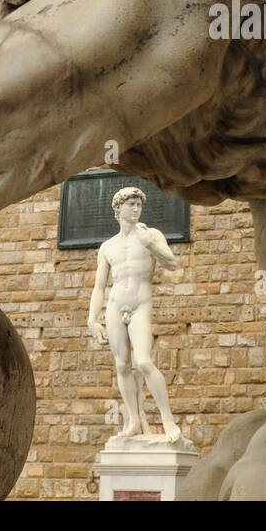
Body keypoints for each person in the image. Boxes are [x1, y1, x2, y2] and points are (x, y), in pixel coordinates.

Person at [87, 186, 181, 442]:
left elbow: (172, 263)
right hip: (115, 305)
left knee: (142, 361)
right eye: (131, 204)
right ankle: (134, 420)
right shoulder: (107, 247)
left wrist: (151, 244)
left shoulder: (150, 235)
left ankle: (167, 419)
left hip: (140, 303)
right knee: (121, 364)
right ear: (118, 209)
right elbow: (99, 286)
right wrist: (92, 319)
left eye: (139, 205)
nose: (136, 209)